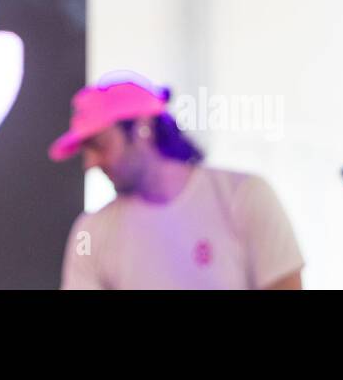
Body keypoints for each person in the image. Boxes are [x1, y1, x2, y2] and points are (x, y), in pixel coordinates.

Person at [50, 80, 302, 289]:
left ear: (142, 128)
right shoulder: (89, 232)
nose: (90, 163)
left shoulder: (245, 196)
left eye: (99, 145)